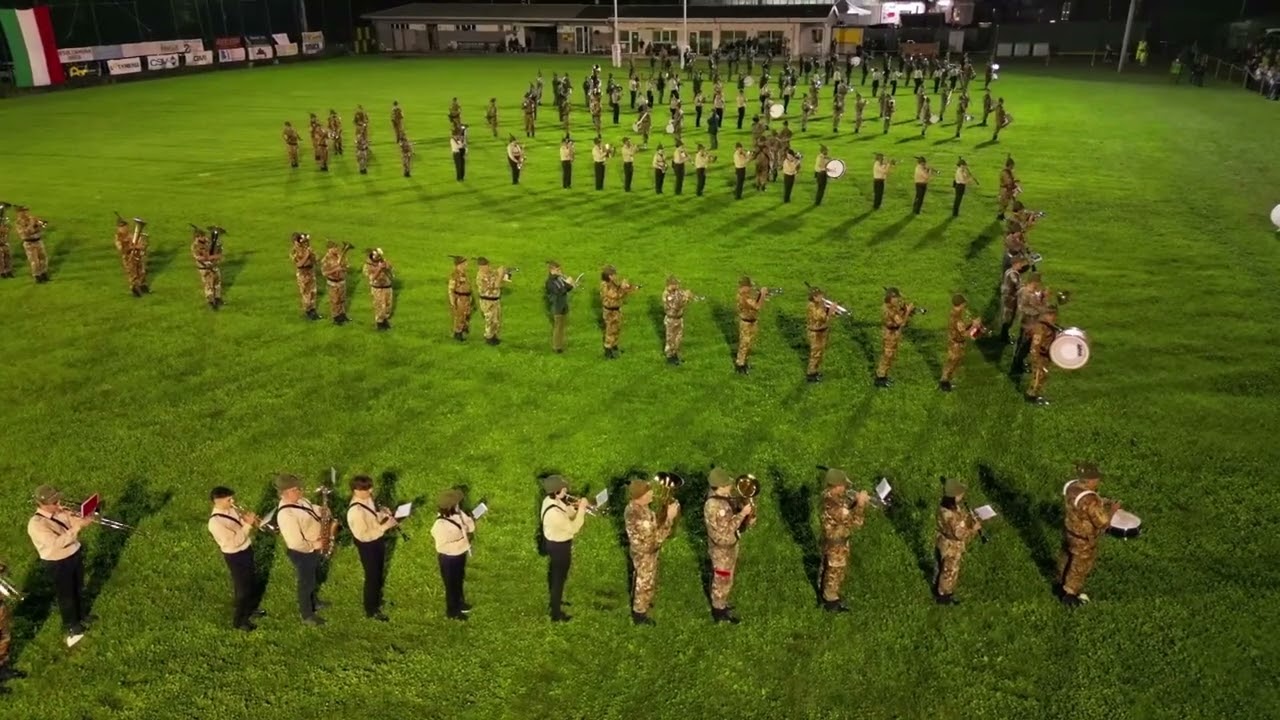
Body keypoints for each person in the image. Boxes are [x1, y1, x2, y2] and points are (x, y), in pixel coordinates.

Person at [27, 485, 91, 647]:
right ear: (42, 504)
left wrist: (81, 518)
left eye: (58, 499)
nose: (59, 503)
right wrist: (77, 528)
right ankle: (72, 627)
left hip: (73, 553)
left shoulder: (60, 511)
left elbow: (71, 522)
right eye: (54, 502)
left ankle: (81, 615)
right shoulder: (37, 525)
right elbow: (57, 543)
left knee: (78, 586)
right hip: (58, 562)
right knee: (66, 595)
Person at [1058, 462, 1119, 606]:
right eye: (1097, 479)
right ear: (1091, 480)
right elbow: (1103, 523)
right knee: (1081, 565)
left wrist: (1101, 501)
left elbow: (1085, 501)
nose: (1098, 481)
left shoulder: (1072, 487)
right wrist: (1114, 510)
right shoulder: (1091, 500)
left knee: (1068, 556)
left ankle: (1061, 582)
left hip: (1070, 531)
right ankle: (1070, 595)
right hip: (1084, 538)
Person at [206, 486, 266, 631]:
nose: (233, 501)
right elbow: (234, 541)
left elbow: (240, 525)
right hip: (235, 555)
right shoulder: (215, 523)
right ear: (218, 501)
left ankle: (250, 608)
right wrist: (247, 525)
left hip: (246, 549)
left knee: (251, 581)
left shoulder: (231, 510)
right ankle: (240, 620)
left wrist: (249, 520)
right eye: (229, 499)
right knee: (243, 589)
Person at [274, 474, 331, 625]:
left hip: (313, 547)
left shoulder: (301, 501)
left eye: (299, 488)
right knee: (306, 583)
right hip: (302, 552)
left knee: (313, 577)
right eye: (295, 489)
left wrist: (322, 511)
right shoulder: (286, 514)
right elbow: (295, 543)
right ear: (284, 493)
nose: (300, 491)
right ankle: (307, 614)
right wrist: (315, 545)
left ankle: (314, 602)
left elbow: (312, 509)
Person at [704, 468, 755, 624]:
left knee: (727, 577)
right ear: (719, 486)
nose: (731, 486)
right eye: (727, 484)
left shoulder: (723, 497)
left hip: (730, 545)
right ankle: (718, 611)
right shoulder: (714, 506)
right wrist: (742, 514)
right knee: (722, 579)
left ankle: (722, 602)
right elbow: (726, 528)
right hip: (721, 550)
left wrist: (746, 515)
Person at [624, 479, 678, 626]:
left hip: (644, 550)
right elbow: (655, 540)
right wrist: (669, 519)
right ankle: (639, 613)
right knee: (644, 580)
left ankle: (644, 601)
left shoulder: (640, 508)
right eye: (649, 492)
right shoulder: (639, 516)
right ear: (640, 496)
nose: (652, 493)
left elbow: (652, 527)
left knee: (646, 578)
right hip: (645, 552)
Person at [347, 475, 398, 622]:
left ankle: (376, 599)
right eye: (367, 489)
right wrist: (384, 527)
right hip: (368, 545)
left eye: (371, 487)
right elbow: (363, 536)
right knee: (372, 577)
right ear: (356, 490)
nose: (371, 490)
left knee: (379, 572)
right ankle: (371, 609)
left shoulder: (367, 498)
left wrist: (382, 514)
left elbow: (372, 516)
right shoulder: (355, 512)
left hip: (377, 540)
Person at [540, 476, 590, 622]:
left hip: (557, 543)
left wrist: (575, 507)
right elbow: (574, 528)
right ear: (556, 491)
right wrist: (581, 509)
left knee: (558, 575)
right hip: (559, 546)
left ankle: (557, 598)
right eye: (563, 488)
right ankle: (556, 612)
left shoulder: (551, 501)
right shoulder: (554, 514)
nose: (566, 490)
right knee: (558, 578)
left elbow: (567, 512)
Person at [818, 469, 868, 612]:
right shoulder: (836, 506)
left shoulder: (829, 496)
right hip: (837, 545)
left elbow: (845, 511)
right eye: (843, 485)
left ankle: (824, 591)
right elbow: (856, 522)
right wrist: (860, 504)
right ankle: (831, 601)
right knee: (835, 572)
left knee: (828, 568)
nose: (845, 488)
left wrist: (853, 502)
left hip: (830, 541)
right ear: (836, 486)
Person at [935, 477, 983, 604]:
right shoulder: (948, 514)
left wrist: (969, 519)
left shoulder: (951, 507)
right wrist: (973, 529)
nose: (963, 496)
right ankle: (943, 596)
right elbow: (960, 534)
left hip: (948, 543)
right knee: (949, 572)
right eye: (960, 494)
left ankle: (945, 591)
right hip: (951, 547)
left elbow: (960, 521)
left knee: (949, 569)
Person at [430, 489, 474, 621]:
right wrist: (464, 542)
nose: (459, 505)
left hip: (459, 555)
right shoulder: (440, 525)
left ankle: (459, 602)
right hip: (449, 558)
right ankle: (452, 610)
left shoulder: (458, 514)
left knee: (459, 580)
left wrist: (466, 520)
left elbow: (470, 527)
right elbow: (442, 547)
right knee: (451, 585)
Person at [874, 287, 916, 388]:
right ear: (891, 298)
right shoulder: (891, 310)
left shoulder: (888, 307)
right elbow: (902, 323)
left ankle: (884, 376)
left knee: (889, 355)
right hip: (890, 335)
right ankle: (880, 378)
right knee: (888, 356)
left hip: (891, 333)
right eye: (896, 298)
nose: (898, 300)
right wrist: (907, 312)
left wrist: (903, 310)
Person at [939, 294, 978, 391]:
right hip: (956, 344)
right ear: (961, 304)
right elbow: (964, 333)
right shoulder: (957, 317)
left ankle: (946, 381)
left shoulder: (955, 313)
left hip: (955, 342)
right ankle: (944, 383)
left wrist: (970, 324)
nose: (965, 305)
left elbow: (961, 329)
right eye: (964, 303)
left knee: (953, 362)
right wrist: (974, 326)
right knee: (952, 362)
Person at [1024, 304, 1059, 405]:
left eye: (1055, 315)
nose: (1054, 317)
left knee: (1043, 376)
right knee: (1038, 376)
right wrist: (1037, 361)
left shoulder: (1049, 325)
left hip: (1045, 355)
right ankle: (1031, 396)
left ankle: (1036, 393)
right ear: (1046, 315)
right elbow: (1034, 347)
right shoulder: (1040, 328)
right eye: (1051, 315)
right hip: (1040, 356)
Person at [600, 265, 637, 359]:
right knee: (610, 330)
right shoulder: (605, 285)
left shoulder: (613, 283)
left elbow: (619, 289)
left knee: (617, 329)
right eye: (614, 275)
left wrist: (630, 288)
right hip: (609, 311)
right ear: (609, 276)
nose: (616, 276)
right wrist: (623, 289)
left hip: (616, 310)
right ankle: (608, 349)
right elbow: (615, 295)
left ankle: (614, 345)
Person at [735, 277, 770, 374]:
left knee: (749, 344)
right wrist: (762, 294)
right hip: (746, 323)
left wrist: (760, 296)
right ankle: (740, 364)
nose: (751, 288)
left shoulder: (746, 295)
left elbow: (754, 304)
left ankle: (745, 362)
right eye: (749, 286)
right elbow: (757, 306)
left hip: (752, 321)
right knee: (744, 343)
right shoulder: (743, 296)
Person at [475, 257, 511, 346]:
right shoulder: (481, 276)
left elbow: (501, 282)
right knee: (489, 319)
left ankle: (494, 336)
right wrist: (500, 274)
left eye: (487, 266)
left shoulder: (491, 273)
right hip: (487, 301)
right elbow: (496, 285)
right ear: (480, 267)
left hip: (495, 300)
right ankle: (488, 337)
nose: (486, 268)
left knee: (496, 320)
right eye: (483, 266)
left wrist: (504, 274)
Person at [662, 275, 696, 365]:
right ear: (670, 284)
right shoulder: (667, 295)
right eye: (675, 284)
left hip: (679, 318)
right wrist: (685, 298)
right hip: (671, 320)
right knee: (670, 339)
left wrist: (689, 296)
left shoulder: (677, 292)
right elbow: (675, 306)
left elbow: (682, 297)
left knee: (678, 338)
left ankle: (675, 354)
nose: (678, 286)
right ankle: (670, 356)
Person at [545, 260, 577, 353]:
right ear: (552, 270)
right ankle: (556, 347)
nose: (560, 271)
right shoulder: (549, 282)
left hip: (563, 306)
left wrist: (570, 284)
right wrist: (566, 284)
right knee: (557, 327)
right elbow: (558, 292)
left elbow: (566, 289)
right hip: (557, 307)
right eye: (558, 270)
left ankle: (560, 345)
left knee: (561, 327)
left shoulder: (559, 279)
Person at [806, 286, 836, 382]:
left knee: (820, 352)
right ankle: (811, 373)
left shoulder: (820, 304)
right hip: (815, 333)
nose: (822, 297)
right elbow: (820, 317)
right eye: (819, 296)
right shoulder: (812, 306)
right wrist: (830, 312)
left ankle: (816, 370)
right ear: (814, 297)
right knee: (815, 353)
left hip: (822, 330)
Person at [14, 206, 49, 283]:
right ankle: (37, 276)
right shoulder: (19, 222)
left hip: (38, 241)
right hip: (29, 243)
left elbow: (42, 226)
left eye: (26, 211)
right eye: (23, 211)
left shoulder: (32, 219)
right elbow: (26, 232)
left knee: (43, 258)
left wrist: (39, 225)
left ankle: (44, 273)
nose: (25, 213)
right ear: (19, 213)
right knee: (34, 261)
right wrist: (32, 225)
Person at [999, 255, 1030, 343]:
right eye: (1020, 263)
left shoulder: (1009, 271)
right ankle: (1004, 337)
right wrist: (1026, 288)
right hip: (1010, 300)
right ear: (1015, 264)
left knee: (1008, 317)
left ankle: (1004, 335)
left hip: (1008, 298)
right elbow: (1017, 284)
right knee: (1009, 318)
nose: (1021, 266)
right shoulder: (1013, 274)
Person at [190, 226, 223, 309]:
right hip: (204, 268)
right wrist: (208, 259)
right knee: (208, 284)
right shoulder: (195, 246)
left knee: (217, 282)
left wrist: (216, 252)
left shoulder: (208, 242)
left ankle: (218, 298)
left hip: (214, 265)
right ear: (197, 237)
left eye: (204, 236)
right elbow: (198, 258)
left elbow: (218, 253)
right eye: (202, 236)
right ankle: (211, 301)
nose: (204, 238)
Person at [290, 232, 320, 321]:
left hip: (310, 271)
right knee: (306, 293)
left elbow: (316, 259)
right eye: (297, 241)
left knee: (313, 292)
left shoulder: (306, 248)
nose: (298, 243)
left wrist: (313, 255)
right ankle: (308, 311)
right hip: (302, 274)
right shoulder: (293, 251)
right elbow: (299, 264)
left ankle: (313, 310)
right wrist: (307, 255)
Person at [321, 241, 351, 326]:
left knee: (342, 299)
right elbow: (324, 273)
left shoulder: (340, 256)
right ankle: (336, 317)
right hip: (333, 283)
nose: (336, 249)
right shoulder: (325, 259)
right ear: (329, 249)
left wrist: (344, 268)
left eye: (336, 248)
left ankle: (342, 314)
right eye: (334, 248)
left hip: (342, 281)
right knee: (335, 300)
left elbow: (347, 266)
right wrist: (334, 270)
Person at [364, 248, 394, 331]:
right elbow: (372, 278)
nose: (377, 257)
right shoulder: (368, 266)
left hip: (387, 286)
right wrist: (379, 269)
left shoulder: (383, 261)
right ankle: (379, 323)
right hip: (377, 288)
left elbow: (391, 270)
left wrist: (387, 266)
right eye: (375, 256)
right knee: (379, 306)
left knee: (388, 305)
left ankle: (385, 320)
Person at [447, 255, 472, 341]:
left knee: (465, 315)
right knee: (459, 316)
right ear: (459, 264)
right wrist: (453, 302)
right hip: (459, 298)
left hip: (466, 298)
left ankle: (462, 329)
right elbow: (451, 289)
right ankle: (457, 333)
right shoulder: (455, 275)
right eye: (464, 263)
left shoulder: (464, 274)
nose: (466, 265)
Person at [997, 155, 1018, 220]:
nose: (1013, 167)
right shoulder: (1004, 172)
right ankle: (1000, 215)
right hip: (1004, 189)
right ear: (1009, 165)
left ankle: (1003, 215)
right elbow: (1007, 181)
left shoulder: (1010, 172)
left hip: (1008, 189)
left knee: (1007, 203)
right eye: (1012, 165)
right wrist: (1012, 184)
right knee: (1004, 203)